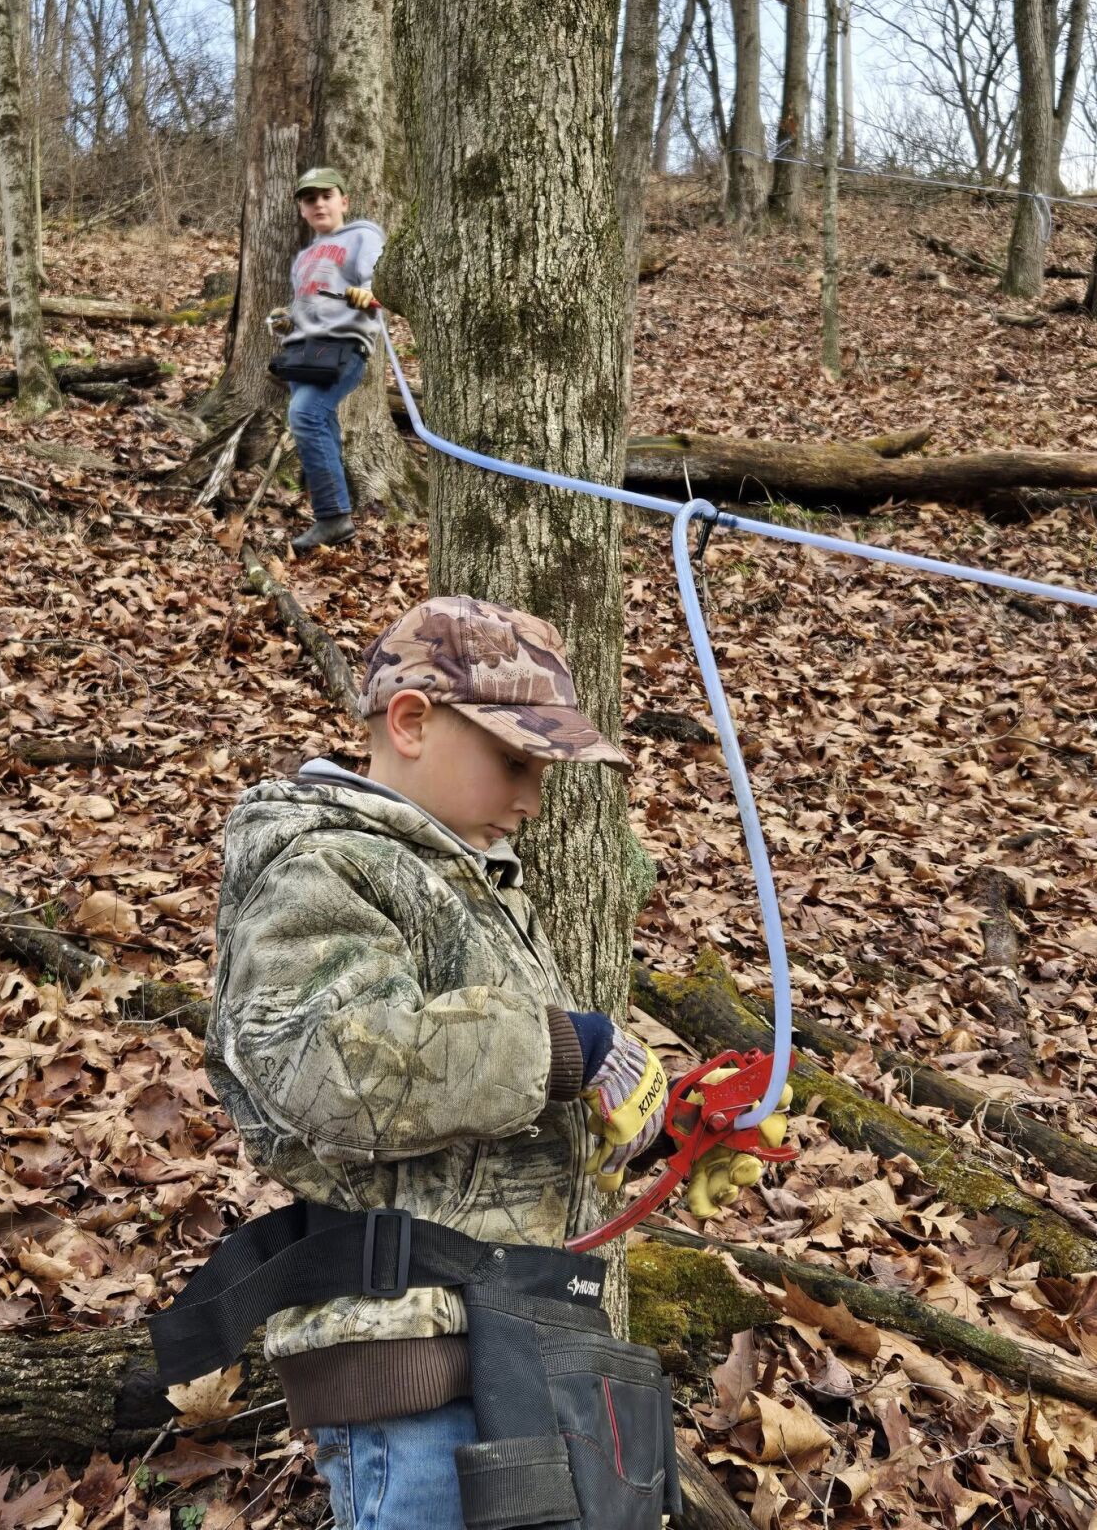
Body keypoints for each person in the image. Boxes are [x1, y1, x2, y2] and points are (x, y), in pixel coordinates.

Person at [200, 596, 790, 1529]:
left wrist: (665, 1125)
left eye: (542, 770)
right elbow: (323, 1068)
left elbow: (496, 1123)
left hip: (519, 1340)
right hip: (410, 1368)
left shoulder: (470, 881)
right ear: (410, 721)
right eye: (516, 762)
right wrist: (570, 1047)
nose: (531, 800)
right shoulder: (320, 862)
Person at [268, 166, 384, 554]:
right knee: (321, 421)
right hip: (303, 354)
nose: (319, 204)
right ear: (302, 209)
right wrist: (285, 320)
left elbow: (378, 280)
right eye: (309, 199)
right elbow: (307, 306)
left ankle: (333, 517)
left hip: (343, 348)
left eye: (326, 196)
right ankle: (340, 514)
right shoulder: (303, 257)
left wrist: (368, 293)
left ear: (344, 201)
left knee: (305, 415)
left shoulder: (363, 235)